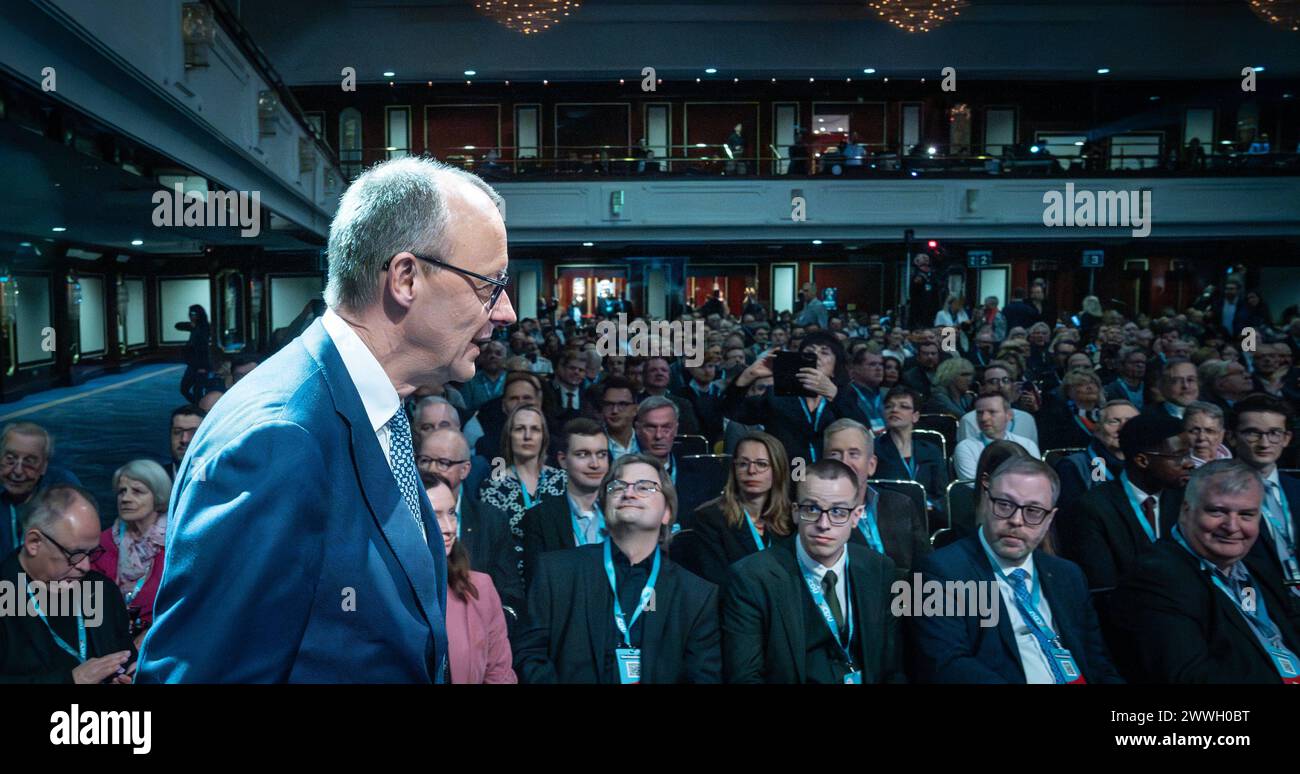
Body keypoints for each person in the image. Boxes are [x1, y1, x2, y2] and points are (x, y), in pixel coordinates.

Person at [138, 157, 517, 683]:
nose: (506, 313)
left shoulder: (368, 404)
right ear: (405, 277)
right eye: (489, 285)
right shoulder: (280, 438)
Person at [910, 458, 1123, 684]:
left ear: (1049, 518)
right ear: (986, 501)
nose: (1016, 520)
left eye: (1033, 511)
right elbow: (946, 666)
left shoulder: (1067, 575)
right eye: (1004, 505)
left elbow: (1097, 663)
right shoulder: (940, 572)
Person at [514, 454, 721, 683]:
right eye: (617, 486)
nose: (628, 493)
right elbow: (528, 656)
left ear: (667, 513)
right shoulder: (556, 573)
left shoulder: (696, 597)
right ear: (604, 508)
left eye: (645, 487)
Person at [1109, 460, 1300, 683]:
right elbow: (1189, 678)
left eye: (1246, 515)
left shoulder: (1256, 565)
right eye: (1217, 511)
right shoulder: (1157, 578)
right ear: (1186, 509)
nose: (1232, 526)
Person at [722, 459, 905, 684]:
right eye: (812, 509)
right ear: (796, 512)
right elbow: (745, 678)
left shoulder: (879, 570)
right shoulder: (751, 578)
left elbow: (892, 669)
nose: (823, 523)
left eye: (838, 511)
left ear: (856, 516)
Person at [1, 485, 136, 684]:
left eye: (91, 553)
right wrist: (71, 681)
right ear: (34, 542)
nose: (86, 565)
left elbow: (125, 654)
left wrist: (127, 675)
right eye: (75, 554)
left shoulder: (103, 590)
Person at [1057, 413, 1193, 593]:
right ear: (1142, 460)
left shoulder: (1188, 499)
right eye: (1178, 456)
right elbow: (1103, 586)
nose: (1189, 463)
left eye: (1188, 454)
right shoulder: (1093, 508)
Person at [417, 430, 522, 619]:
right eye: (424, 460)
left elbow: (511, 592)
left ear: (465, 469)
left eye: (443, 463)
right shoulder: (400, 518)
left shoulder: (491, 520)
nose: (431, 469)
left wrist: (487, 626)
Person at [670, 431, 794, 588]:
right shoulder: (710, 518)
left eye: (761, 464)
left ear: (778, 470)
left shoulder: (790, 520)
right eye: (743, 463)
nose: (751, 471)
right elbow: (717, 582)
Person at [425, 473, 516, 684]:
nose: (449, 527)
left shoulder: (480, 587)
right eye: (434, 515)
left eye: (451, 513)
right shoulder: (388, 593)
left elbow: (499, 673)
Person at [721, 332, 862, 465]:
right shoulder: (777, 397)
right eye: (809, 351)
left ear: (834, 369)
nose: (816, 355)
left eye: (824, 352)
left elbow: (862, 431)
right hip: (787, 479)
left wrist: (834, 395)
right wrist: (749, 375)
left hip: (830, 478)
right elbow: (731, 410)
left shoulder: (844, 398)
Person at [823, 419, 931, 577]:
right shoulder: (819, 517)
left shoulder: (902, 504)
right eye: (835, 454)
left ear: (871, 465)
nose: (844, 462)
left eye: (853, 454)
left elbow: (926, 564)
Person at [1228, 394, 1300, 620]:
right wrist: (1250, 612)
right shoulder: (1217, 495)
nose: (1265, 443)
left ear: (1286, 438)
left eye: (1274, 433)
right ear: (1231, 437)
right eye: (1253, 433)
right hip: (1255, 606)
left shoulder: (1296, 489)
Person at [520, 418, 611, 587]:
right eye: (583, 454)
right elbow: (538, 585)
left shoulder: (620, 511)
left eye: (602, 454)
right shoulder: (540, 518)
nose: (595, 464)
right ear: (563, 460)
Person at [90, 460, 172, 647]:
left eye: (137, 491)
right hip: (108, 642)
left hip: (159, 643)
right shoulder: (101, 543)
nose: (125, 498)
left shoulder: (174, 544)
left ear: (157, 496)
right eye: (122, 491)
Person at [482, 405, 567, 574]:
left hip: (561, 571)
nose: (527, 436)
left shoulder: (563, 480)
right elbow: (494, 541)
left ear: (544, 437)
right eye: (520, 429)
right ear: (509, 436)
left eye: (535, 429)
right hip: (514, 575)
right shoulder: (494, 486)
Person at [0, 422, 82, 553]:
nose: (18, 471)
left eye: (29, 462)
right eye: (10, 459)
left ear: (44, 466)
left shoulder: (65, 489)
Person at [874, 386, 948, 509]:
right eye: (889, 406)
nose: (894, 410)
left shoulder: (931, 451)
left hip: (928, 515)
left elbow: (941, 494)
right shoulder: (874, 449)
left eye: (903, 406)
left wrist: (931, 506)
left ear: (915, 416)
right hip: (889, 515)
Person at [1054, 400, 1136, 506]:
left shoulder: (1149, 465)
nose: (1122, 429)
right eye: (1114, 421)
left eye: (1130, 422)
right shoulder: (1074, 466)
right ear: (1097, 429)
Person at [953, 393, 1042, 480]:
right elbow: (972, 485)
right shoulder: (966, 448)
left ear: (1009, 415)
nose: (984, 418)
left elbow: (1038, 477)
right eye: (980, 413)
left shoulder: (1027, 444)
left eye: (992, 412)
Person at [956, 361, 1040, 446]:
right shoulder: (969, 420)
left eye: (1005, 380)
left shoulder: (1026, 419)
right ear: (982, 388)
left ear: (1012, 385)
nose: (1001, 385)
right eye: (993, 381)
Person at [176, 304, 212, 403]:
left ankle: (199, 409)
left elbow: (203, 348)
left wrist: (202, 367)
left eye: (194, 314)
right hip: (192, 363)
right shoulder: (194, 326)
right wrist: (191, 325)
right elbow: (178, 326)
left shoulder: (204, 327)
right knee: (185, 389)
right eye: (191, 314)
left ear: (200, 314)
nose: (192, 316)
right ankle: (198, 407)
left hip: (201, 364)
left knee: (197, 390)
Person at [161, 405, 204, 479]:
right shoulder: (156, 478)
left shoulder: (220, 479)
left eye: (194, 433)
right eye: (177, 432)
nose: (184, 439)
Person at [1185, 401, 1232, 466]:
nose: (1201, 437)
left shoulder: (1238, 461)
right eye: (1194, 431)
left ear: (1221, 435)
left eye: (1209, 431)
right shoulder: (1176, 470)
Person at [1103, 346, 1147, 411]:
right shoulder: (1110, 390)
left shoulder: (1150, 388)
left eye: (1143, 363)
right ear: (1122, 365)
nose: (1140, 366)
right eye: (1135, 362)